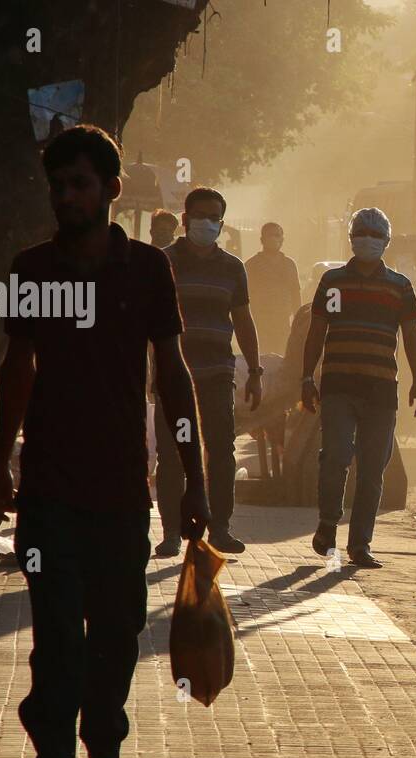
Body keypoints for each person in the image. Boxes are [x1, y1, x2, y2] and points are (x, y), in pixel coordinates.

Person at [0, 125, 211, 758]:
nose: (67, 197)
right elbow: (16, 370)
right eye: (58, 186)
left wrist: (193, 480)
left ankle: (103, 757)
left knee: (117, 634)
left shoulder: (147, 270)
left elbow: (173, 376)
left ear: (112, 190)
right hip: (49, 490)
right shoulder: (31, 269)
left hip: (121, 491)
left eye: (80, 184)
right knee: (57, 642)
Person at [301, 207, 416, 568]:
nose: (367, 239)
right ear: (352, 237)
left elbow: (412, 335)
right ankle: (327, 525)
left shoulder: (400, 286)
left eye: (375, 235)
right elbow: (317, 331)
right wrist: (307, 377)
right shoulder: (332, 282)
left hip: (381, 390)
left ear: (386, 241)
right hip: (338, 386)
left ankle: (360, 545)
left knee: (373, 469)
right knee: (336, 456)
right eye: (362, 233)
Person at [154, 186, 262, 556]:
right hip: (172, 377)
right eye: (200, 216)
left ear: (222, 222)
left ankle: (220, 529)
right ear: (185, 220)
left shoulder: (233, 268)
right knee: (171, 454)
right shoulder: (163, 262)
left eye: (214, 217)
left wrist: (256, 370)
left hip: (217, 374)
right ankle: (170, 533)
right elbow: (143, 321)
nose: (207, 223)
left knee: (220, 451)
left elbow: (244, 322)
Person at [245, 222, 301, 355]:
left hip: (282, 323)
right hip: (260, 323)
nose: (274, 239)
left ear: (282, 239)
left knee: (282, 358)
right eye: (270, 235)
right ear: (262, 239)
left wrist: (298, 322)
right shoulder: (251, 265)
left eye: (277, 235)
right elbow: (245, 297)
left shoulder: (289, 264)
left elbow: (295, 294)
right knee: (262, 358)